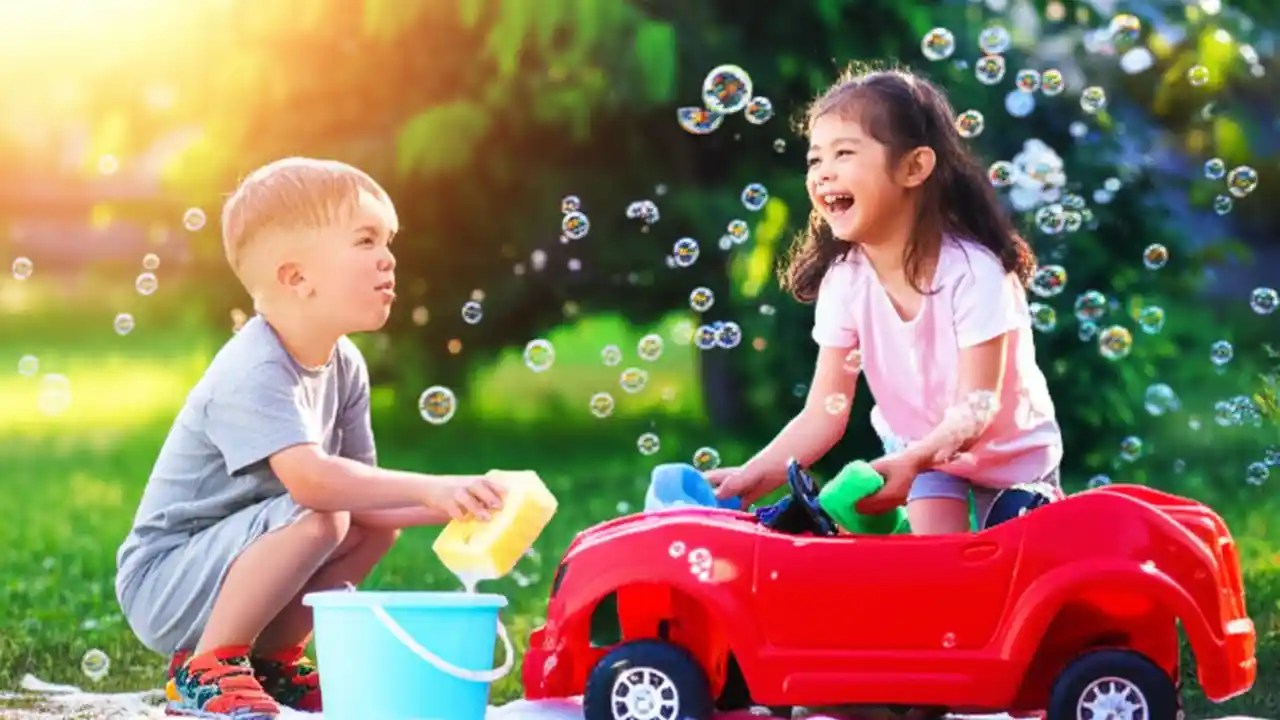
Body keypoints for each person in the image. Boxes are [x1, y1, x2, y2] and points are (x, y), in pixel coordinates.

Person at [114, 157, 505, 719]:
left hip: (232, 561)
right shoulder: (254, 368)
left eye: (388, 241)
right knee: (323, 514)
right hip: (165, 581)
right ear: (297, 278)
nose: (388, 258)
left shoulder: (345, 364)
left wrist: (466, 504)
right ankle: (205, 668)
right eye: (366, 240)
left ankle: (270, 662)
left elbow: (366, 499)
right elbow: (314, 483)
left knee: (372, 527)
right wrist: (432, 487)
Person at [711, 65, 1063, 535]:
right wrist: (748, 479)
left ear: (914, 167)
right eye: (815, 159)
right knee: (936, 545)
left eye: (844, 153)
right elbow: (823, 414)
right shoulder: (846, 280)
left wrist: (913, 459)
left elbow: (977, 406)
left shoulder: (974, 271)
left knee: (1009, 548)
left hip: (1011, 470)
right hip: (925, 463)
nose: (823, 172)